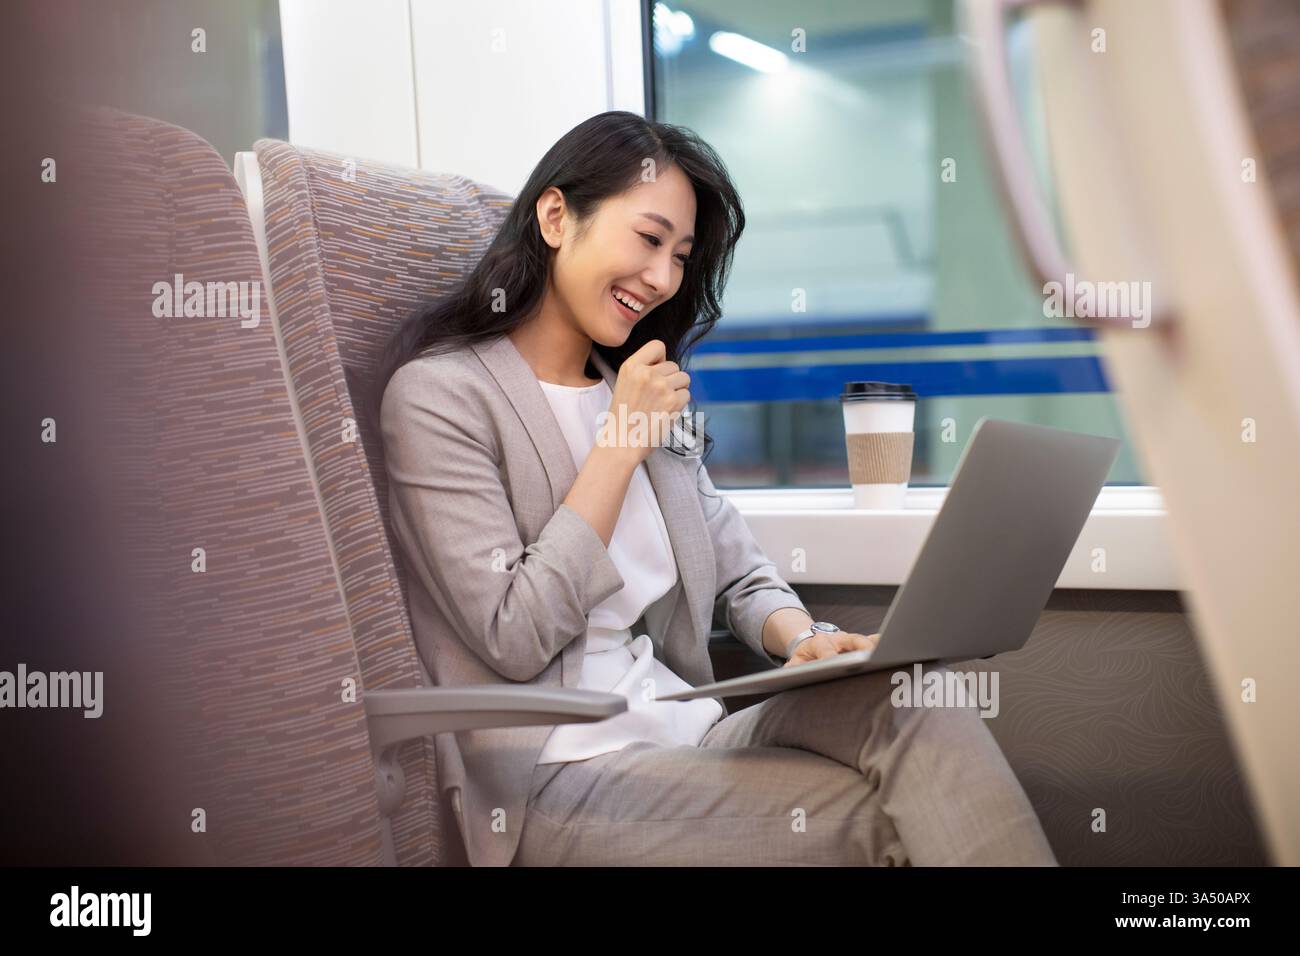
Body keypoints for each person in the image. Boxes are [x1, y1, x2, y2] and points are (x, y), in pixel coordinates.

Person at [374, 110, 1057, 866]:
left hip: (682, 727)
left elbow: (738, 568)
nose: (664, 278)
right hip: (555, 775)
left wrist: (802, 639)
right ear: (557, 215)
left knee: (920, 698)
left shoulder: (637, 388)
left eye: (680, 254)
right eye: (648, 238)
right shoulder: (441, 397)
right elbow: (514, 632)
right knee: (891, 821)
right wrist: (619, 446)